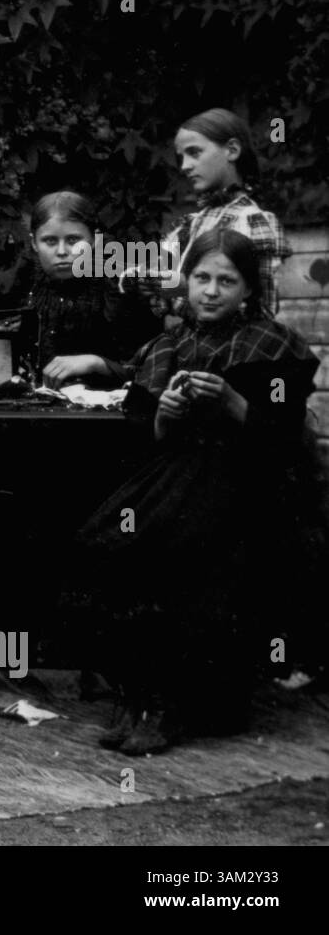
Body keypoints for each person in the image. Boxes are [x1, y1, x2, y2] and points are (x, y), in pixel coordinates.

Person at [71, 229, 320, 756]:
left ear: (248, 290)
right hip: (174, 472)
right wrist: (165, 413)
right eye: (201, 278)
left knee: (184, 556)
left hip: (246, 480)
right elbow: (143, 438)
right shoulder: (167, 345)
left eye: (226, 281)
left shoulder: (273, 346)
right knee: (103, 544)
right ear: (186, 283)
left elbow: (283, 440)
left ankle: (169, 705)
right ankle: (138, 695)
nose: (210, 291)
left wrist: (231, 399)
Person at [0, 191, 160, 388]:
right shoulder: (21, 275)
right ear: (34, 243)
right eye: (49, 241)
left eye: (73, 240)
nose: (61, 252)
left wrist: (95, 363)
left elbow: (148, 364)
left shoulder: (116, 282)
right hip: (38, 398)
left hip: (105, 410)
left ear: (94, 239)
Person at [138, 108, 289, 321]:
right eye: (181, 157)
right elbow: (162, 304)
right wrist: (153, 286)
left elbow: (263, 312)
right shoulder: (190, 224)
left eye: (194, 152)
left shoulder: (253, 222)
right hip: (184, 343)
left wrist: (186, 288)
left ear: (232, 150)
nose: (185, 166)